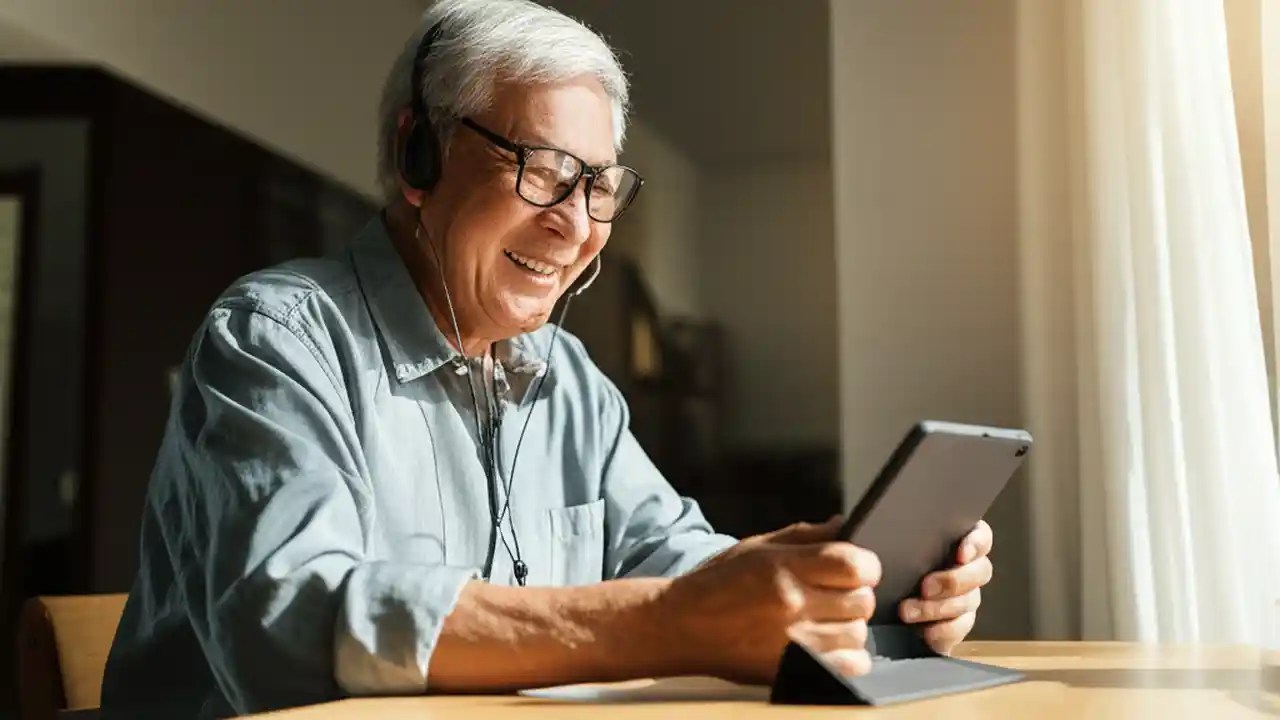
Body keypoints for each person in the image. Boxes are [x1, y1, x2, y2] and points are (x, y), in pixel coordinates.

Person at [101, 0, 995, 716]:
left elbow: (676, 566)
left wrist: (844, 593)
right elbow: (285, 627)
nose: (574, 226)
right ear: (421, 152)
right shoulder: (277, 337)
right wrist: (676, 619)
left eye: (599, 185)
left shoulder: (569, 379)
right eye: (540, 169)